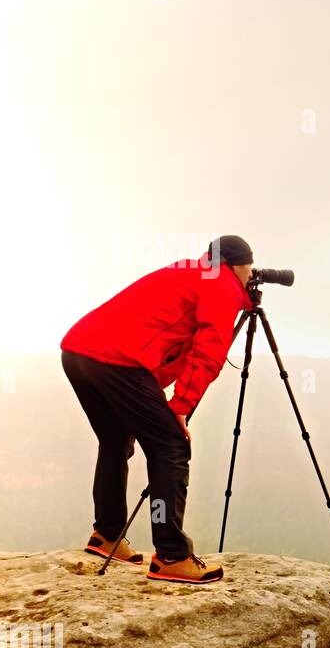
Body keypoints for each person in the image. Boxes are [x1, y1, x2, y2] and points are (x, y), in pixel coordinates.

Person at [60, 236, 256, 584]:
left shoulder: (190, 271)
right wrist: (180, 407)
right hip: (118, 360)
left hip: (79, 350)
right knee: (171, 446)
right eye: (250, 267)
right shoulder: (221, 284)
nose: (252, 274)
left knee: (115, 439)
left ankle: (107, 535)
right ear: (237, 265)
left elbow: (164, 344)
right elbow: (209, 353)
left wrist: (166, 403)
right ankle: (171, 555)